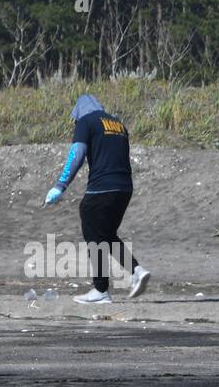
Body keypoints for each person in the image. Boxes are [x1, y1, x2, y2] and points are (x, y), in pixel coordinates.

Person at [44, 94, 149, 304]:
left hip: (102, 189)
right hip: (125, 188)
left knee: (94, 235)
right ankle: (137, 271)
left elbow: (77, 153)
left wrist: (60, 185)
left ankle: (101, 291)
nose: (76, 123)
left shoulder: (87, 121)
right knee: (106, 235)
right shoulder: (118, 124)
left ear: (80, 111)